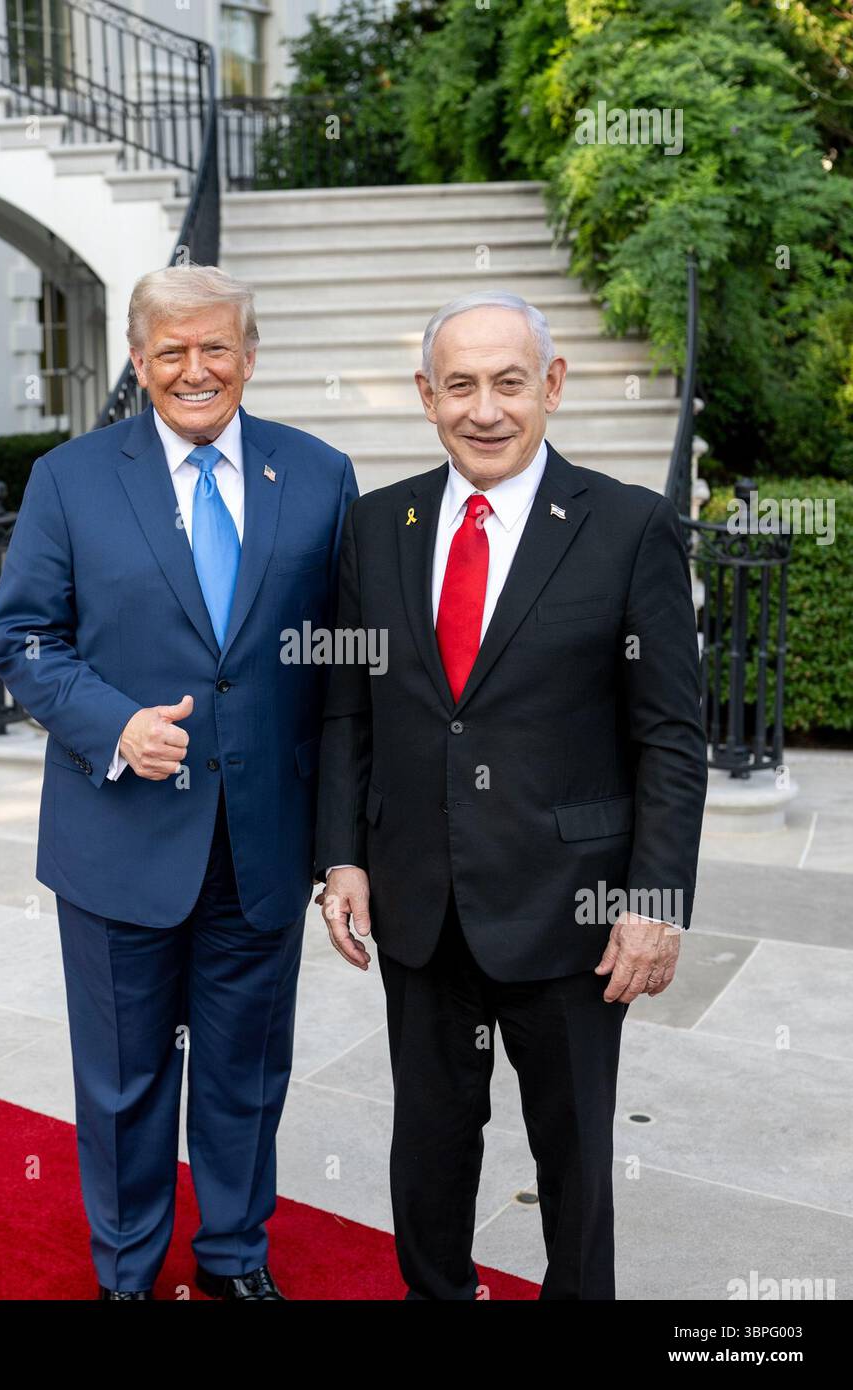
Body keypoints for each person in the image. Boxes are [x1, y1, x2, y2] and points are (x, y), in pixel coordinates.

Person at [315, 290, 707, 1300]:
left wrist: (654, 904)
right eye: (459, 385)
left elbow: (669, 734)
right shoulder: (375, 523)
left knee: (574, 1158)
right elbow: (348, 710)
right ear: (425, 395)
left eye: (507, 382)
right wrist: (344, 856)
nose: (484, 409)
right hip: (418, 905)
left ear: (552, 385)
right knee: (429, 1146)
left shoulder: (629, 526)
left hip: (572, 911)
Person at [0, 264, 358, 1300]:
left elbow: (342, 675)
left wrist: (342, 844)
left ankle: (237, 1259)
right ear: (141, 362)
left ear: (248, 354)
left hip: (263, 845)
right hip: (118, 837)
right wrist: (115, 723)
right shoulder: (70, 478)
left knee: (245, 1075)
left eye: (216, 348)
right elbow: (21, 637)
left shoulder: (320, 474)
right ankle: (126, 1272)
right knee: (123, 1083)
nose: (196, 370)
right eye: (171, 351)